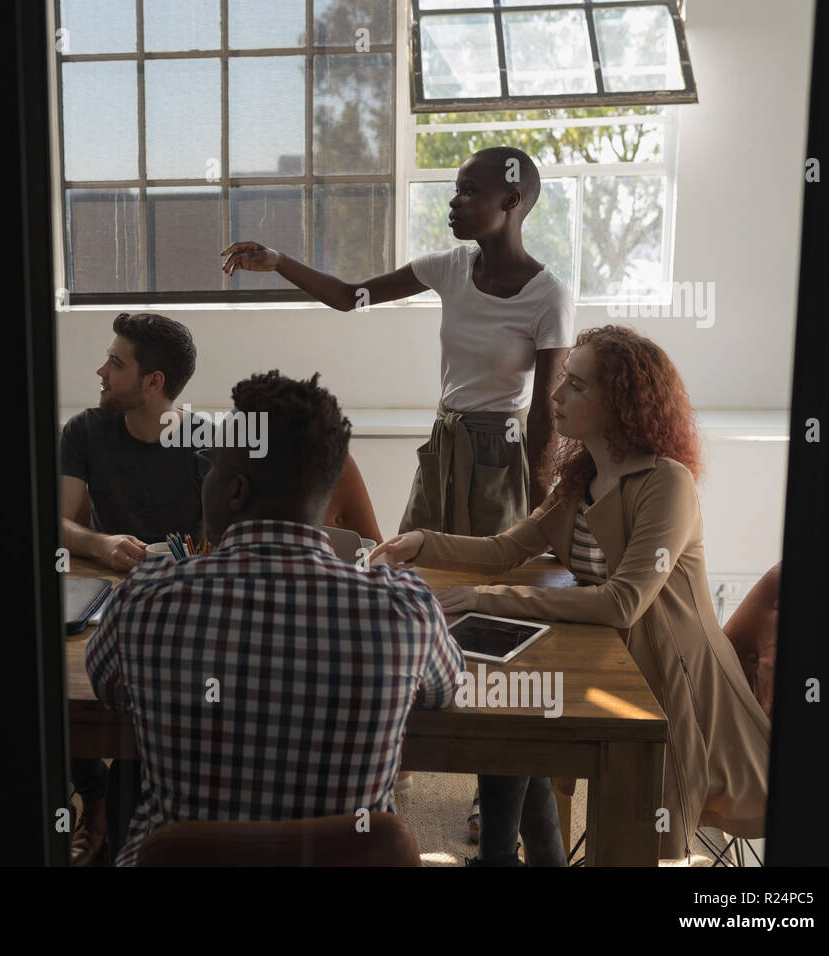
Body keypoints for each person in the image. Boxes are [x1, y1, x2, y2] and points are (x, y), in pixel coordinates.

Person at [221, 145, 574, 841]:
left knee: (495, 619)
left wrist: (543, 507)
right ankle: (410, 760)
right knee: (416, 588)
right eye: (453, 189)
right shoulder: (449, 267)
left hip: (502, 457)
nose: (453, 201)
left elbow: (545, 416)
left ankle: (500, 796)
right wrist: (279, 260)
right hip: (442, 449)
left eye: (467, 192)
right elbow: (351, 297)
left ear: (511, 203)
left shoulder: (549, 294)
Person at [371, 326, 771, 863]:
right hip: (608, 661)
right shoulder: (580, 480)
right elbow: (503, 550)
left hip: (671, 684)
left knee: (637, 840)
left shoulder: (666, 484)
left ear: (622, 402)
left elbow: (622, 602)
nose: (556, 396)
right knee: (517, 727)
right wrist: (419, 543)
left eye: (576, 386)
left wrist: (485, 599)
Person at [87, 371, 465, 866]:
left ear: (236, 491)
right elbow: (444, 689)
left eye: (212, 470)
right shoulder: (405, 608)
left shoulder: (145, 598)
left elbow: (107, 689)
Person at [60, 311, 205, 865]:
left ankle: (129, 810)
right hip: (97, 597)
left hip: (175, 609)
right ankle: (95, 796)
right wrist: (99, 544)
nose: (101, 371)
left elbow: (217, 549)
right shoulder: (84, 432)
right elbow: (58, 522)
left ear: (154, 383)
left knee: (154, 706)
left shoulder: (204, 443)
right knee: (53, 689)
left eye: (116, 364)